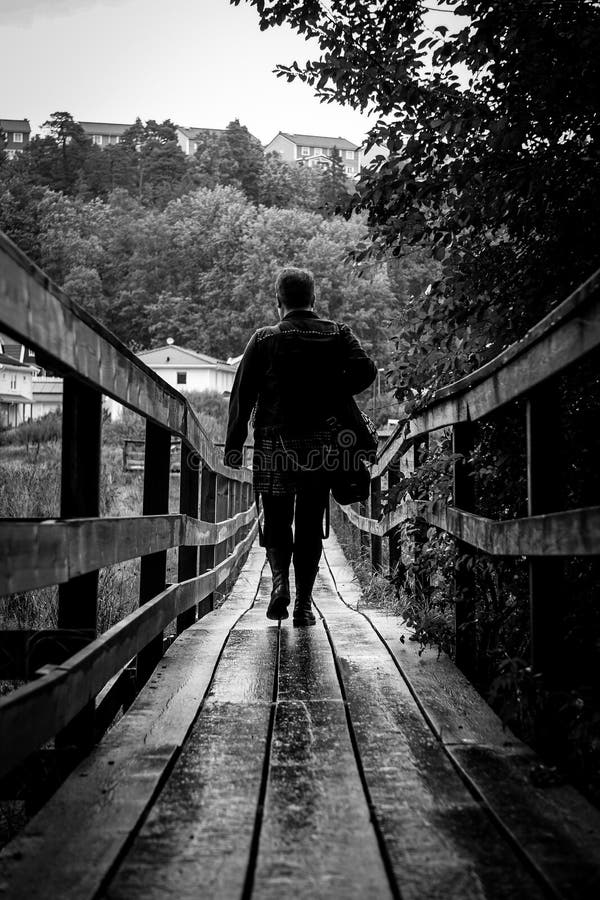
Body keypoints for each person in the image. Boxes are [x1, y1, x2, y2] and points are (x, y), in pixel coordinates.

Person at [224, 267, 377, 625]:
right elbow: (365, 370)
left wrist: (234, 444)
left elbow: (242, 393)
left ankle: (280, 587)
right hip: (322, 446)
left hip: (274, 444)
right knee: (309, 522)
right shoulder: (338, 334)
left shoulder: (263, 339)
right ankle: (305, 606)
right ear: (313, 299)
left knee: (277, 518)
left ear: (279, 300)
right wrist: (331, 389)